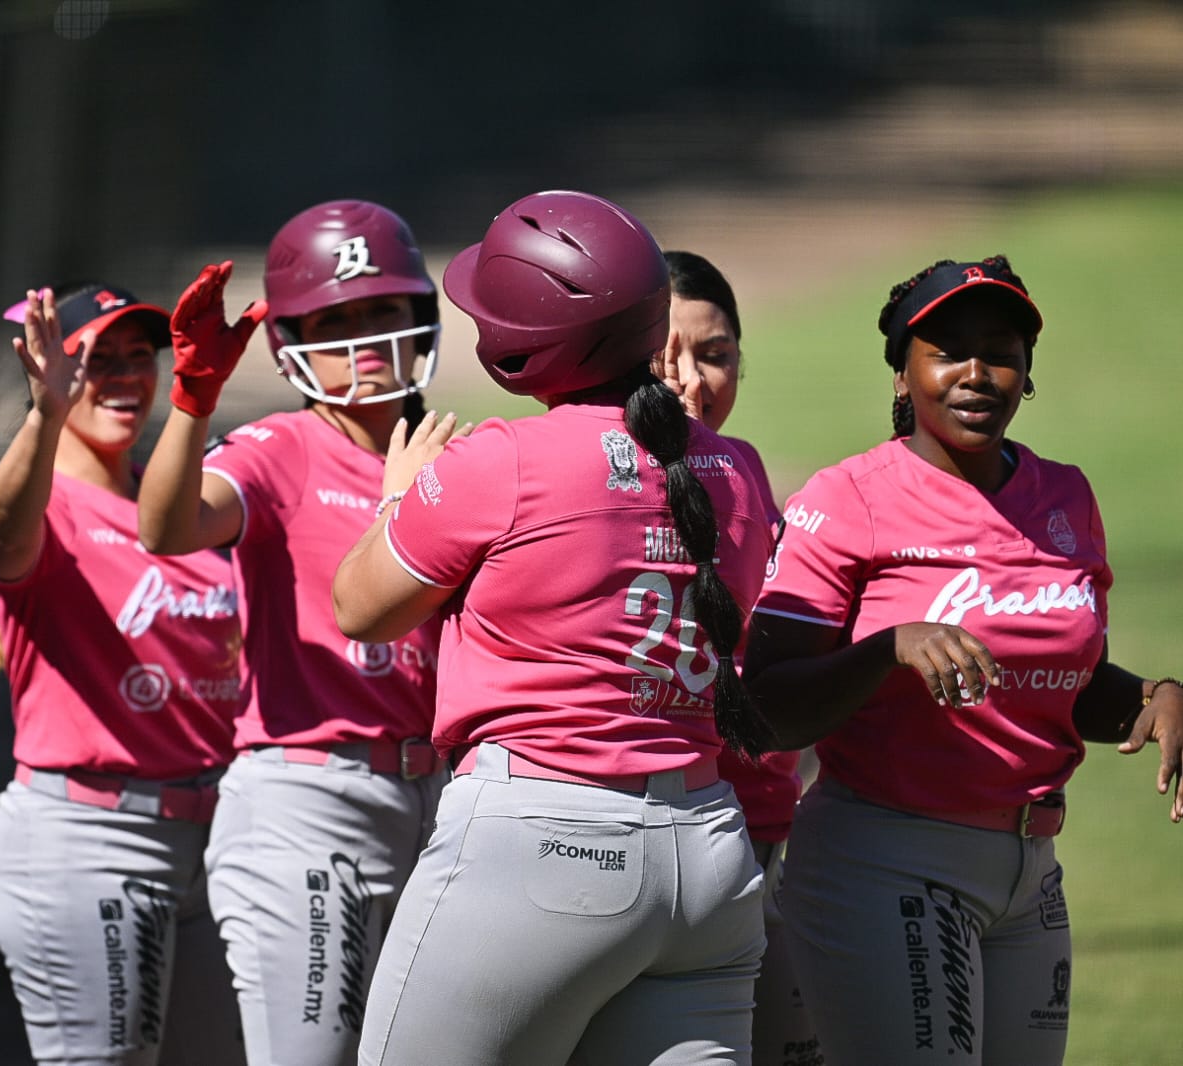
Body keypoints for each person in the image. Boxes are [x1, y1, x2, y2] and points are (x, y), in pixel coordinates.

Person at [332, 190, 776, 1066]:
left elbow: (360, 607)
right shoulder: (738, 466)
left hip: (541, 841)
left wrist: (392, 501)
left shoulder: (500, 457)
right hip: (711, 859)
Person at [743, 255, 1183, 1065]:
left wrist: (1151, 698)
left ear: (1027, 372)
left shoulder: (1064, 497)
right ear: (903, 372)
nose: (978, 372)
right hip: (884, 863)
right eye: (948, 349)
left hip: (1029, 873)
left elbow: (1056, 683)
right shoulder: (846, 499)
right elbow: (763, 705)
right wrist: (886, 650)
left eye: (1002, 350)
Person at [137, 200, 447, 1066]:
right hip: (310, 803)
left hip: (439, 804)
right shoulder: (279, 448)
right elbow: (165, 527)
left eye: (382, 308)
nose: (363, 337)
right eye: (334, 319)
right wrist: (194, 401)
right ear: (291, 340)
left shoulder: (449, 456)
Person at [0, 283, 244, 1065]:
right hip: (93, 838)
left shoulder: (174, 506)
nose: (124, 376)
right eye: (98, 360)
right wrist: (43, 415)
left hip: (208, 839)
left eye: (139, 356)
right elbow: (0, 539)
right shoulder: (38, 500)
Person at [655, 251, 817, 1066]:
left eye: (714, 354)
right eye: (667, 354)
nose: (691, 379)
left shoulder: (751, 482)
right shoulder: (595, 486)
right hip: (655, 845)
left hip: (772, 845)